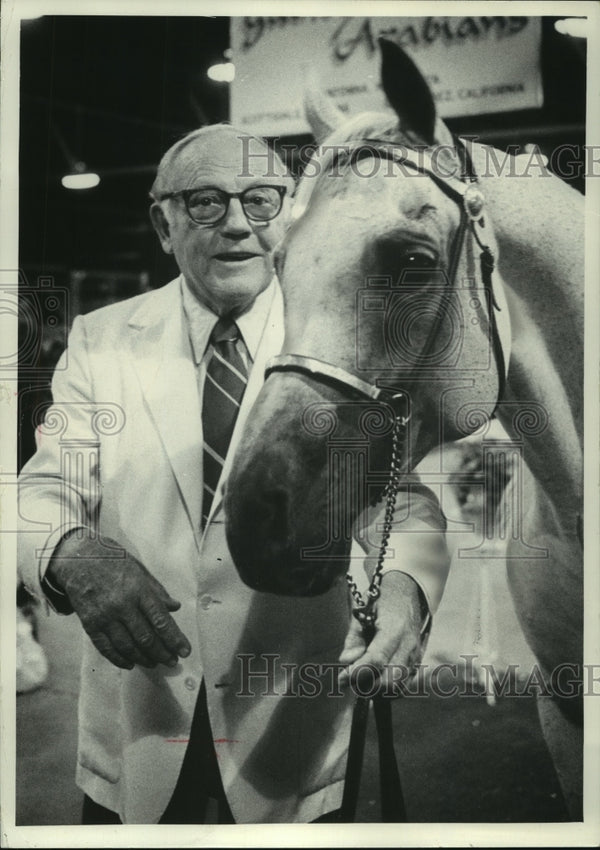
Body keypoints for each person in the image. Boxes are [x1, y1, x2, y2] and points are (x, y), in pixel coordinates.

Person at [18, 124, 450, 824]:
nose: (239, 226)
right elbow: (43, 490)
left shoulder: (340, 338)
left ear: (289, 215)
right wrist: (70, 550)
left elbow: (399, 497)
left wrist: (404, 586)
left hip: (290, 730)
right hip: (141, 723)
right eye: (207, 203)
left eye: (262, 200)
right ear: (163, 223)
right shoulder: (103, 340)